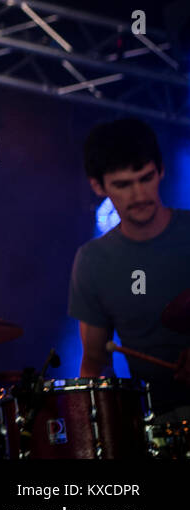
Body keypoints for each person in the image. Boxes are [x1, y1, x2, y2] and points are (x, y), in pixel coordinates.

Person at [69, 117, 190, 419]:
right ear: (98, 186)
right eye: (123, 184)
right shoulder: (93, 261)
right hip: (158, 422)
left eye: (145, 178)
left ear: (161, 170)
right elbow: (95, 362)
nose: (138, 195)